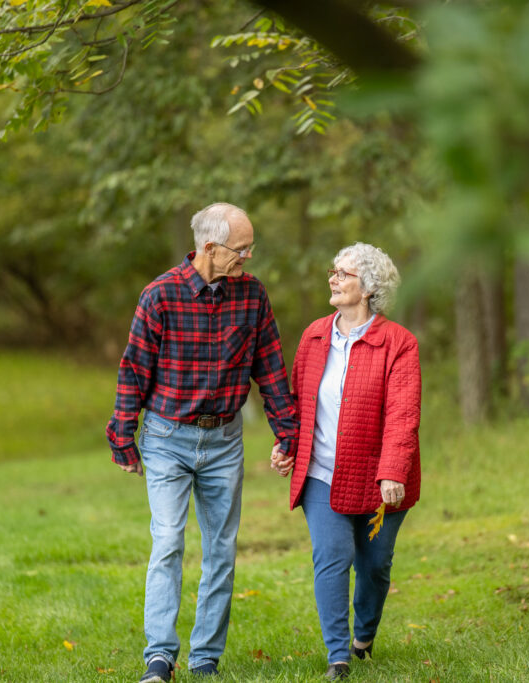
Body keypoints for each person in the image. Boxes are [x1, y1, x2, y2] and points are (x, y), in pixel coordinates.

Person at [106, 202, 298, 683]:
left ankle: (206, 658)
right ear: (209, 248)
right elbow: (134, 370)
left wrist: (287, 431)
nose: (248, 257)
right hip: (168, 437)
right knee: (168, 540)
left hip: (225, 442)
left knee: (221, 549)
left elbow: (270, 368)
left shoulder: (252, 297)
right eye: (241, 248)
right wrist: (123, 435)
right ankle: (159, 657)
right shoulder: (161, 296)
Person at [271, 242, 421, 680]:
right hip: (322, 474)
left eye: (344, 273)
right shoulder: (315, 334)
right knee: (331, 557)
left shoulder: (398, 343)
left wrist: (393, 470)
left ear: (369, 287)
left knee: (374, 568)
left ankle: (364, 636)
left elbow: (403, 413)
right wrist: (287, 445)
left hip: (381, 480)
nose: (333, 279)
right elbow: (297, 401)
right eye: (333, 271)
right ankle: (338, 656)